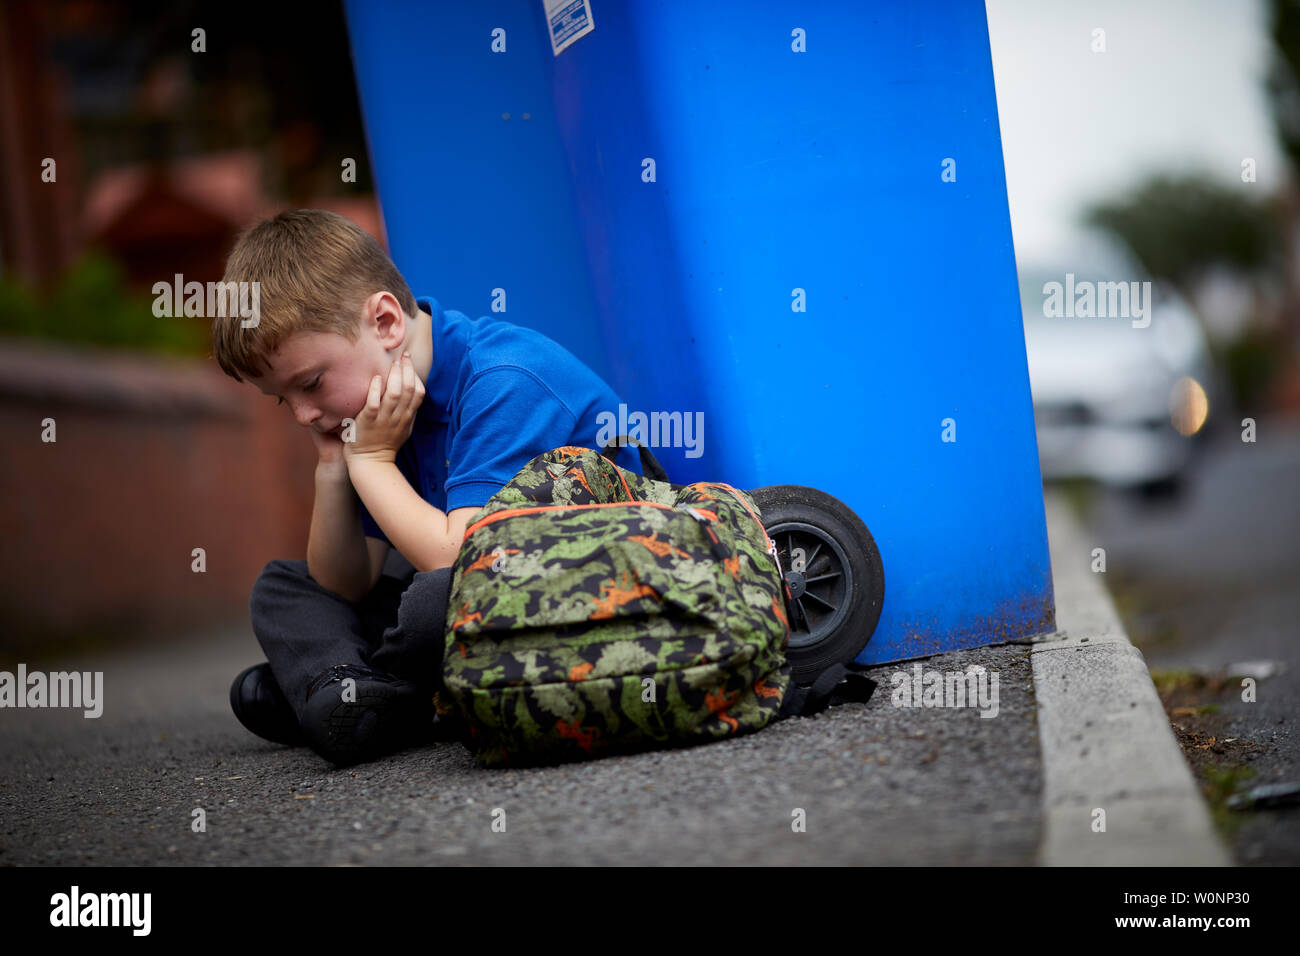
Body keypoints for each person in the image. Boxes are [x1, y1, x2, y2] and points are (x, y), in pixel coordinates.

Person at [210, 209, 640, 766]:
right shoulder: (375, 412)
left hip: (577, 591)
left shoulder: (503, 378)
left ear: (387, 323)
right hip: (471, 592)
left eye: (310, 384)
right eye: (282, 399)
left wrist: (370, 461)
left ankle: (354, 688)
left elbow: (460, 560)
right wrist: (335, 468)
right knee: (284, 589)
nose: (301, 414)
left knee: (434, 600)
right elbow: (345, 583)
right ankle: (358, 688)